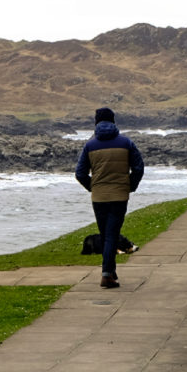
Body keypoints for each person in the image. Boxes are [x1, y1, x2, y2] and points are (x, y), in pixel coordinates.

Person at [75, 107, 144, 288]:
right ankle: (107, 274)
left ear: (96, 123)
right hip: (119, 195)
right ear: (113, 121)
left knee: (106, 234)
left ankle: (110, 272)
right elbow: (138, 168)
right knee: (111, 234)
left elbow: (80, 173)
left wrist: (93, 186)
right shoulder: (126, 143)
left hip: (99, 197)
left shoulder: (90, 146)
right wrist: (130, 185)